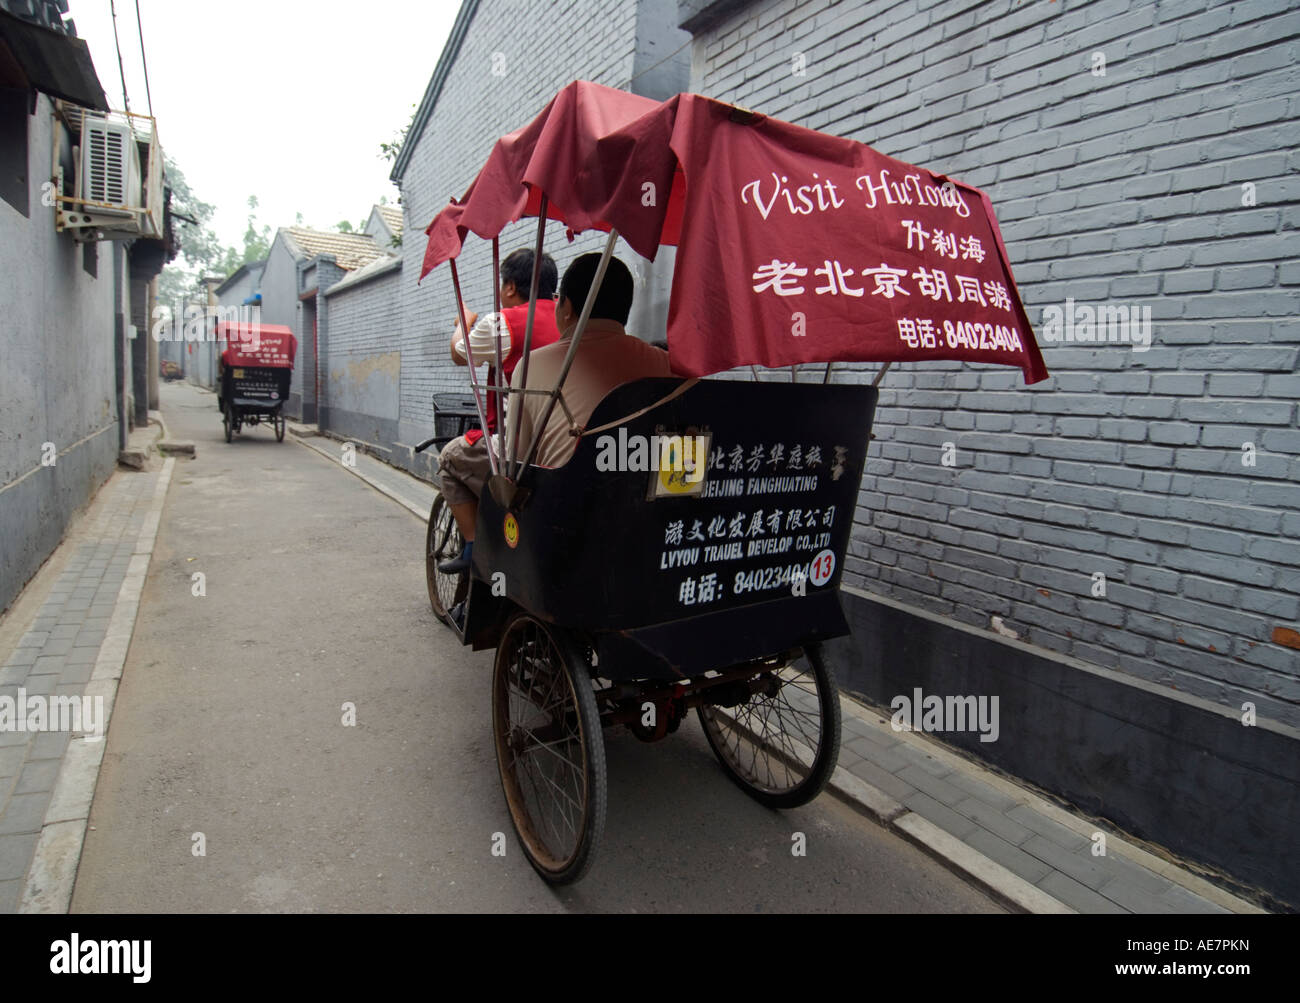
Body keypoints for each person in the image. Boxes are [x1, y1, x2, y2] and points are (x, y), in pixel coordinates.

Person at [436, 248, 560, 574]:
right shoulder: (569, 319)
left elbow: (459, 354)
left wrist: (464, 322)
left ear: (509, 287)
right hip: (561, 441)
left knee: (449, 458)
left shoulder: (503, 323)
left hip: (516, 446)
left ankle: (474, 547)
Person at [508, 252, 674, 470]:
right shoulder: (667, 365)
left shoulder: (531, 365)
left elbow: (516, 462)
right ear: (625, 309)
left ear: (566, 307)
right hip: (646, 498)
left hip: (562, 499)